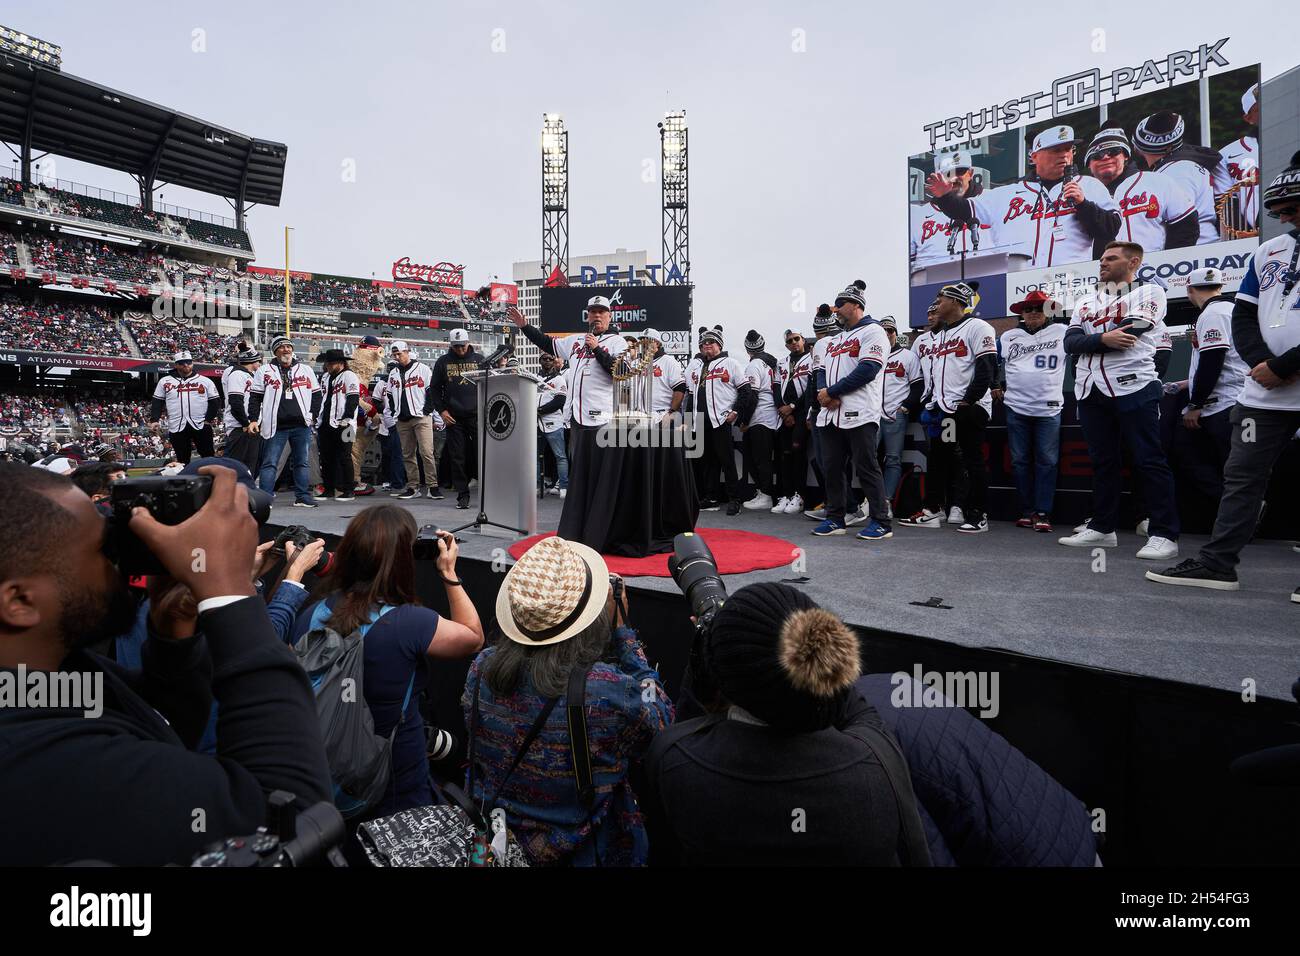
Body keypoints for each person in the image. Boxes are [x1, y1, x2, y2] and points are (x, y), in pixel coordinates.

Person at [0, 462, 331, 865]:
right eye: (103, 548)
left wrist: (172, 627)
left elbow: (154, 724)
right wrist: (230, 594)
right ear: (19, 601)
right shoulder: (44, 761)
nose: (123, 560)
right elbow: (292, 819)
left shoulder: (37, 680)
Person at [642, 582, 931, 866]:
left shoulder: (674, 763)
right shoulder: (877, 762)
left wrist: (705, 647)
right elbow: (852, 703)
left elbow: (690, 732)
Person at [463, 536, 672, 865]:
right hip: (586, 849)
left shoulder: (482, 668)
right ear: (586, 616)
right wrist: (623, 633)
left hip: (501, 843)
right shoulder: (605, 690)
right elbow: (661, 724)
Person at [1147, 155, 1300, 598]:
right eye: (1281, 209)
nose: (1287, 216)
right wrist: (1262, 365)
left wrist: (1284, 365)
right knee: (1241, 477)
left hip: (1276, 376)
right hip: (1262, 391)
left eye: (1295, 207)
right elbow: (1246, 318)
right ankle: (1217, 564)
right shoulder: (1268, 250)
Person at [290, 505, 484, 816]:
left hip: (325, 775)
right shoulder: (409, 623)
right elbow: (472, 637)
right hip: (395, 781)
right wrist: (449, 574)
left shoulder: (312, 613)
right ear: (403, 562)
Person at [1058, 241, 1180, 560]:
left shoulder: (1150, 292)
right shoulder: (1086, 299)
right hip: (1090, 387)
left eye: (1111, 258)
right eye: (1101, 259)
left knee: (1149, 460)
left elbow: (1130, 334)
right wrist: (1101, 338)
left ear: (1133, 262)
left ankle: (1164, 533)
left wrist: (1095, 341)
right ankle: (1103, 527)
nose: (1103, 263)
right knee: (1103, 462)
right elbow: (1069, 342)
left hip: (1134, 385)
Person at [926, 125, 1120, 268]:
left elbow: (1111, 229)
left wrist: (1083, 205)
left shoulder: (1089, 185)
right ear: (1034, 156)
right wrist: (945, 197)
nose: (1064, 155)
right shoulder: (1008, 194)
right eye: (1056, 150)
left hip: (1070, 283)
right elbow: (964, 210)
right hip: (1018, 287)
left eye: (1068, 149)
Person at [898, 282, 997, 533]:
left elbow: (987, 368)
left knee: (973, 460)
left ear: (955, 301)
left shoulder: (977, 326)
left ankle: (978, 514)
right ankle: (933, 509)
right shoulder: (940, 335)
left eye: (941, 300)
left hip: (970, 408)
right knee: (939, 458)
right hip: (945, 409)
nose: (936, 305)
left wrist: (968, 401)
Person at [812, 280, 893, 540]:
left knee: (866, 466)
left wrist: (833, 392)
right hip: (831, 412)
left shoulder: (873, 331)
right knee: (832, 467)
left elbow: (869, 369)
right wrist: (825, 394)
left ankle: (881, 521)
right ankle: (836, 518)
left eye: (840, 305)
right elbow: (822, 370)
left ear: (855, 305)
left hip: (860, 410)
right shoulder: (836, 339)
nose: (836, 310)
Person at [1166, 267, 1249, 511]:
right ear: (1220, 287)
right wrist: (1187, 384)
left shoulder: (1213, 313)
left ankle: (1241, 513)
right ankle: (1238, 511)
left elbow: (1213, 360)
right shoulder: (1232, 309)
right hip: (1232, 399)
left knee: (1226, 465)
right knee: (1224, 463)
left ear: (1189, 290)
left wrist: (1195, 404)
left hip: (1222, 404)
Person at [999, 290, 1069, 532]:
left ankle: (1043, 512)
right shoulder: (1009, 336)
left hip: (1048, 407)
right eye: (1028, 309)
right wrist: (995, 384)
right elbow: (992, 361)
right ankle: (1027, 510)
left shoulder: (1063, 331)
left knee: (1047, 461)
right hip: (1016, 406)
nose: (1032, 313)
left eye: (1038, 308)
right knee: (1019, 462)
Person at [1084, 127, 1198, 252]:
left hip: (1154, 267)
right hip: (1099, 270)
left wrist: (1169, 262)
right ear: (1089, 165)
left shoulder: (1156, 181)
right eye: (1096, 155)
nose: (1105, 157)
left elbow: (1186, 225)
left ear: (1125, 156)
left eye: (1113, 151)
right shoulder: (1081, 195)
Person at [248, 336, 321, 508]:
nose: (287, 350)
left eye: (289, 346)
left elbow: (317, 395)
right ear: (275, 351)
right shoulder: (264, 370)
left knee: (302, 462)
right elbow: (255, 398)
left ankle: (302, 496)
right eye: (282, 347)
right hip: (275, 425)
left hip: (301, 425)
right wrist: (252, 419)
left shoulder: (305, 369)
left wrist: (313, 415)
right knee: (270, 462)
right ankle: (265, 498)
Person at [1133, 111, 1221, 245]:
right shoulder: (1187, 164)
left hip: (1195, 250)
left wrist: (1171, 258)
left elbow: (1184, 222)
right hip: (1204, 245)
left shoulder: (1175, 172)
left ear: (1139, 148)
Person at [695, 328, 753, 515]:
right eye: (704, 343)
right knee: (707, 462)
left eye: (711, 342)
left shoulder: (731, 363)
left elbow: (746, 391)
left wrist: (736, 411)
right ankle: (711, 498)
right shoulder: (697, 366)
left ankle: (734, 499)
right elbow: (691, 394)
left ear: (719, 344)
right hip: (701, 420)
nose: (707, 345)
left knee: (727, 461)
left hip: (720, 419)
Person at [877, 317, 923, 519]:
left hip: (895, 414)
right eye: (883, 330)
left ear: (896, 333)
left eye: (890, 330)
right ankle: (872, 499)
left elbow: (917, 386)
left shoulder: (908, 356)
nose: (887, 333)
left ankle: (885, 501)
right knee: (867, 458)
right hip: (872, 415)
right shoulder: (872, 355)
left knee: (893, 459)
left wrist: (905, 407)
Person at [431, 329, 482, 508]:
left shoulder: (480, 360)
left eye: (463, 345)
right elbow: (435, 389)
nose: (460, 349)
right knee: (457, 456)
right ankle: (463, 494)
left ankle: (486, 491)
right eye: (457, 346)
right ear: (451, 345)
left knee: (481, 454)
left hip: (477, 415)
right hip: (453, 417)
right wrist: (442, 411)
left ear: (468, 343)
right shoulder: (443, 362)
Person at [386, 341, 440, 502]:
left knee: (427, 452)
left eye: (400, 354)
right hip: (402, 419)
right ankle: (413, 487)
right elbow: (389, 394)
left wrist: (427, 411)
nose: (397, 357)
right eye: (394, 355)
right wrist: (396, 410)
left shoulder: (422, 369)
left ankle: (433, 486)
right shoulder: (393, 373)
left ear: (407, 352)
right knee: (407, 454)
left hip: (420, 417)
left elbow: (431, 391)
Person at [148, 350, 220, 464]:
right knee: (182, 460)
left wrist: (208, 420)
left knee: (208, 457)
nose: (186, 365)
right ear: (176, 365)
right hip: (177, 425)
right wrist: (154, 420)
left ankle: (211, 481)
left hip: (200, 424)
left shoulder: (205, 381)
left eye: (188, 362)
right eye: (182, 363)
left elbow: (215, 402)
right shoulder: (165, 381)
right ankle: (185, 481)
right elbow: (157, 401)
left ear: (192, 363)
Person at [740, 329, 781, 512]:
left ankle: (765, 495)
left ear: (748, 349)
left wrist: (745, 420)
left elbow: (752, 396)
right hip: (770, 415)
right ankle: (764, 493)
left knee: (758, 459)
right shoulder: (770, 364)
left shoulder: (754, 364)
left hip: (760, 416)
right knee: (761, 458)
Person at [1211, 84, 1261, 234]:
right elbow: (1224, 206)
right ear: (1249, 118)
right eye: (1262, 106)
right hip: (1254, 236)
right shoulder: (1227, 154)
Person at [773, 328, 812, 514]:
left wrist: (793, 408)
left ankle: (800, 495)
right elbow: (775, 387)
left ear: (803, 339)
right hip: (783, 415)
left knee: (798, 453)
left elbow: (810, 389)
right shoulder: (782, 362)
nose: (794, 342)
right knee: (784, 455)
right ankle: (787, 494)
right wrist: (783, 410)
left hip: (802, 412)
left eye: (797, 338)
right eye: (789, 341)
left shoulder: (811, 359)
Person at [315, 348, 360, 502]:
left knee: (345, 457)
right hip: (326, 423)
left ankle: (348, 490)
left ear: (339, 363)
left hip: (346, 425)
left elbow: (353, 398)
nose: (326, 365)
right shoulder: (326, 377)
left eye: (329, 363)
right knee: (327, 458)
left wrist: (347, 417)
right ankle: (329, 489)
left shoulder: (349, 375)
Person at [348, 335, 387, 493]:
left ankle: (349, 481)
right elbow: (355, 400)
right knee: (352, 452)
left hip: (353, 422)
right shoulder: (353, 378)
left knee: (352, 452)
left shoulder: (357, 377)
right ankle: (352, 482)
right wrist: (373, 413)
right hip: (349, 423)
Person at [220, 346, 265, 476]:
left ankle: (246, 492)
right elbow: (235, 402)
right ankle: (230, 493)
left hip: (249, 426)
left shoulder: (249, 375)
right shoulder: (237, 374)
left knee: (251, 465)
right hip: (240, 427)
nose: (259, 364)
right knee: (235, 465)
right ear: (253, 361)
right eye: (258, 361)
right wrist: (245, 423)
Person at [536, 351, 570, 497]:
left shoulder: (559, 379)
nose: (548, 361)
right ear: (540, 361)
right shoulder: (535, 378)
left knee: (560, 456)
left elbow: (560, 401)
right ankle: (537, 486)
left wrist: (540, 410)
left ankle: (563, 486)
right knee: (536, 457)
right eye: (545, 359)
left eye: (551, 358)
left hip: (554, 422)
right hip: (537, 423)